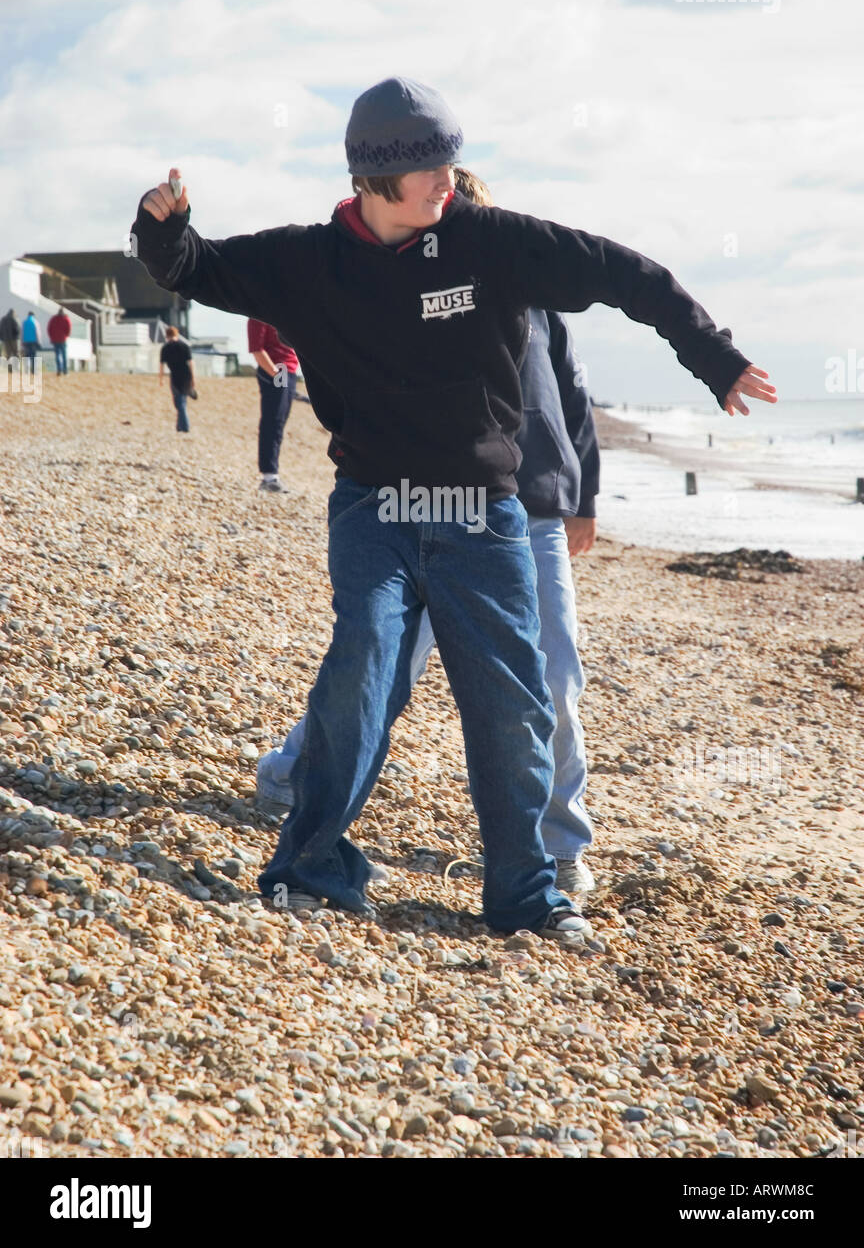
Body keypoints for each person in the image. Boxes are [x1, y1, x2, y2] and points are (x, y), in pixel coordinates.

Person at [131, 76, 775, 940]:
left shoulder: (492, 243)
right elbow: (198, 269)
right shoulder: (308, 262)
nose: (449, 178)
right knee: (363, 667)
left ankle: (524, 893)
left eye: (451, 159)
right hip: (375, 508)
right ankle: (311, 865)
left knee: (514, 702)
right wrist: (162, 227)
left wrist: (713, 356)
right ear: (374, 175)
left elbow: (627, 273)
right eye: (432, 164)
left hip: (486, 517)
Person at [256, 167, 600, 895]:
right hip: (428, 506)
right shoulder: (416, 299)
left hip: (529, 513)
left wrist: (583, 497)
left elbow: (574, 401)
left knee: (554, 679)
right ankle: (293, 773)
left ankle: (559, 842)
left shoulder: (534, 297)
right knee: (376, 666)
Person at [247, 316, 299, 492]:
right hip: (278, 370)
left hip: (290, 371)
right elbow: (257, 349)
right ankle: (269, 476)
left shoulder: (280, 309)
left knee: (279, 421)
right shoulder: (258, 315)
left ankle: (272, 474)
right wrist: (277, 375)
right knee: (273, 421)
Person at [158, 325, 196, 433]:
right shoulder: (184, 346)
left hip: (174, 376)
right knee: (182, 400)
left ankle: (185, 427)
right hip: (186, 375)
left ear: (167, 336)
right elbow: (191, 363)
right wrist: (193, 378)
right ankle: (179, 426)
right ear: (176, 334)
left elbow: (161, 365)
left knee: (179, 401)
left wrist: (161, 379)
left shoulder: (165, 347)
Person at [47, 307, 72, 376]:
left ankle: (59, 370)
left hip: (55, 339)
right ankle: (65, 371)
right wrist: (66, 335)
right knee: (64, 355)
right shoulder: (66, 319)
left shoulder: (53, 319)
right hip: (63, 339)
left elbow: (49, 329)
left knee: (57, 355)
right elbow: (69, 328)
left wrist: (52, 337)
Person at [21, 310, 41, 376]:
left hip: (25, 341)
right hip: (33, 341)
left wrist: (22, 342)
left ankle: (26, 370)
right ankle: (33, 371)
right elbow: (38, 333)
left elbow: (22, 333)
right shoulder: (35, 322)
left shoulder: (24, 322)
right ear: (33, 315)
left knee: (26, 356)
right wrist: (39, 341)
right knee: (33, 356)